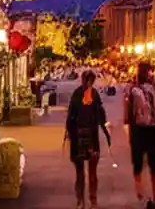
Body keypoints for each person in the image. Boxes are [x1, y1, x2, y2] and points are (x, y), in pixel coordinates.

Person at [125, 61, 155, 209]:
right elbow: (128, 112)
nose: (151, 74)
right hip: (139, 129)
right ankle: (142, 195)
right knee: (139, 163)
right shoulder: (133, 89)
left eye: (152, 71)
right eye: (149, 71)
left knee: (153, 163)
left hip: (152, 129)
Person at [67, 70, 109, 209]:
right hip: (87, 136)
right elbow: (102, 116)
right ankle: (88, 200)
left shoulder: (79, 94)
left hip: (83, 136)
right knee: (86, 172)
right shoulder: (91, 94)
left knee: (86, 172)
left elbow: (70, 117)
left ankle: (85, 201)